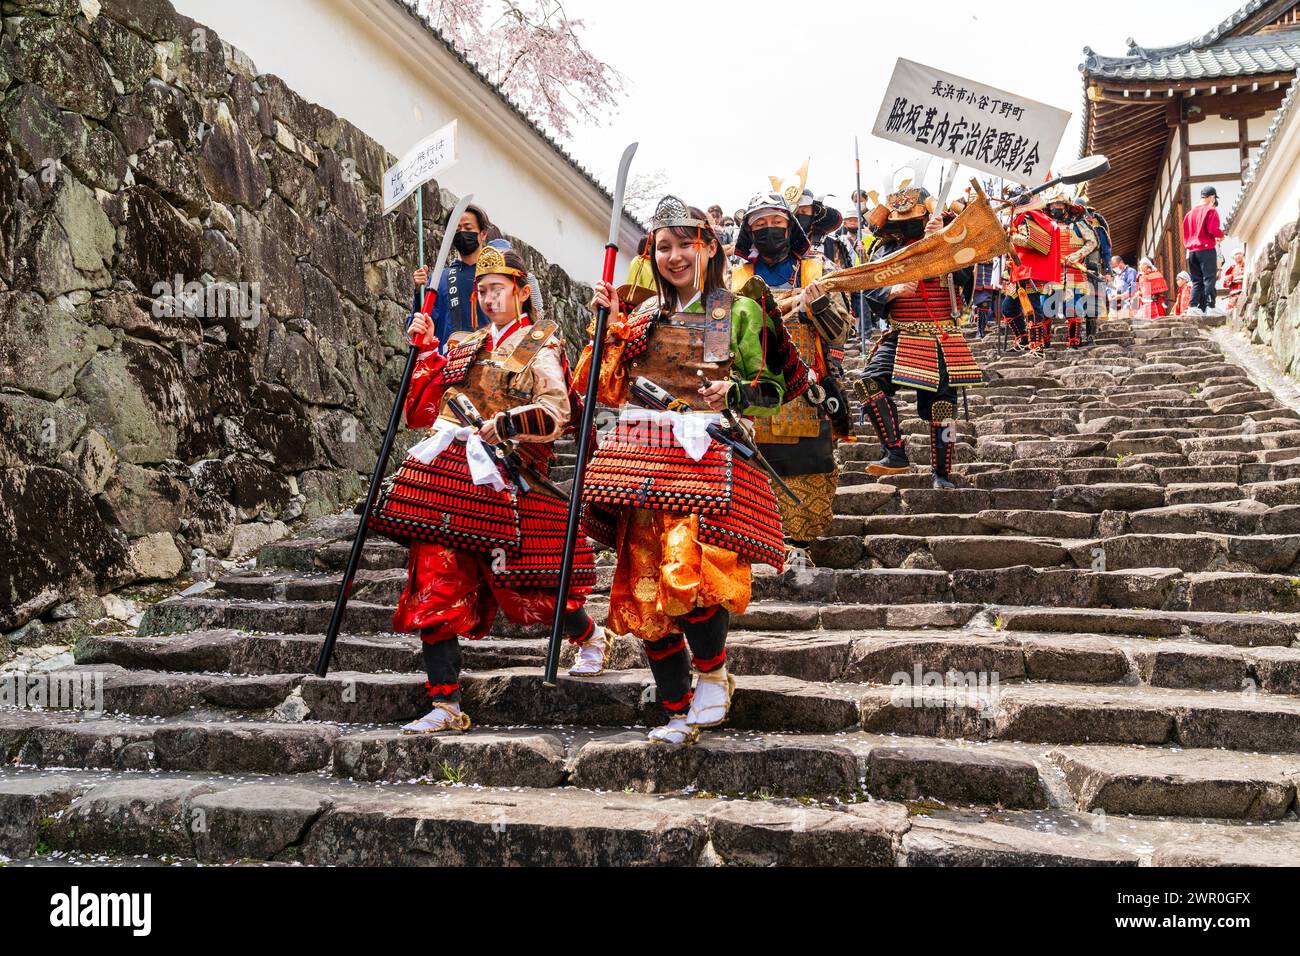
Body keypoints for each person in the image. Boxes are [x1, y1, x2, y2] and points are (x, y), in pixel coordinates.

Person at [576, 196, 788, 746]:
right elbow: (599, 390)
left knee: (685, 570)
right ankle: (675, 709)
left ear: (708, 247)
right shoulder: (642, 317)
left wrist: (735, 391)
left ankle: (714, 671)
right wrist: (607, 331)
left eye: (682, 245)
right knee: (644, 589)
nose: (672, 256)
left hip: (704, 459)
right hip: (642, 459)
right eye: (661, 247)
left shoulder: (736, 309)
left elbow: (777, 389)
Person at [382, 246, 603, 733]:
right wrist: (424, 352)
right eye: (481, 290)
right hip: (452, 473)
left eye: (497, 288)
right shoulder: (465, 341)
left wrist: (505, 425)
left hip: (514, 471)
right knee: (434, 575)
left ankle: (586, 635)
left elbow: (558, 410)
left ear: (522, 292)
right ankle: (445, 703)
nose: (487, 297)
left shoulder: (542, 344)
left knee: (538, 584)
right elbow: (423, 411)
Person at [731, 191, 849, 562]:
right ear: (749, 232)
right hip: (749, 388)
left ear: (790, 226)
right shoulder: (733, 277)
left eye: (776, 222)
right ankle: (755, 541)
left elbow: (841, 332)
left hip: (806, 387)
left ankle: (798, 544)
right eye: (760, 225)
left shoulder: (820, 269)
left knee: (805, 468)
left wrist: (819, 305)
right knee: (750, 465)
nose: (769, 230)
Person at [859, 184, 980, 490]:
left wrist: (944, 240)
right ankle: (894, 452)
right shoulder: (883, 250)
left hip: (942, 335)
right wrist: (891, 291)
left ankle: (942, 472)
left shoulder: (950, 242)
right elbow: (872, 287)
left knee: (944, 409)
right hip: (901, 333)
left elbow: (967, 273)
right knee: (869, 383)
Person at [1044, 189, 1099, 349]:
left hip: (1074, 270)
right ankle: (1044, 342)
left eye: (1059, 203)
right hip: (1051, 272)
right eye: (1054, 204)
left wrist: (1076, 255)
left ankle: (1074, 342)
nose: (1056, 207)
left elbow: (1092, 242)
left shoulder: (1078, 223)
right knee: (1045, 307)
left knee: (1074, 307)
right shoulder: (1046, 224)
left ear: (1066, 206)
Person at [1182, 185, 1225, 316]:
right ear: (1211, 197)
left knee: (1196, 280)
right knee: (1209, 278)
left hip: (1191, 251)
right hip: (1206, 249)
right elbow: (1213, 229)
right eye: (1214, 198)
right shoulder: (1210, 211)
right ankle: (1210, 306)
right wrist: (1221, 235)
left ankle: (1193, 307)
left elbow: (1186, 233)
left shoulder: (1189, 214)